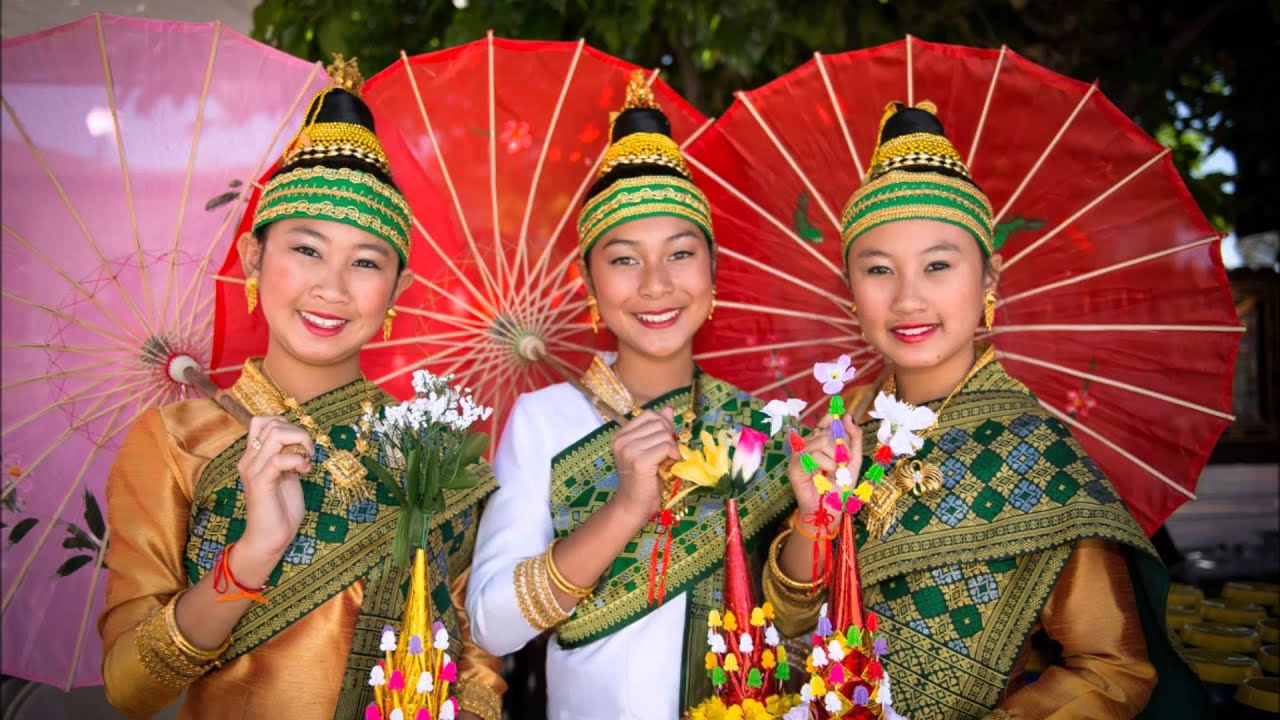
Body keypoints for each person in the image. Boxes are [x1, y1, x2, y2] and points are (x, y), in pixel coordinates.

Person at [763, 101, 1209, 720]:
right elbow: (786, 622)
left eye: (939, 266)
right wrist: (814, 519)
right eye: (878, 270)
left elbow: (1113, 670)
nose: (909, 297)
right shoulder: (844, 430)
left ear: (990, 278)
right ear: (850, 292)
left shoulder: (1036, 451)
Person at [98, 58, 505, 720]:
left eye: (366, 262)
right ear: (255, 259)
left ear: (397, 290)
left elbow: (473, 656)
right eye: (308, 250)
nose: (332, 289)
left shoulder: (432, 446)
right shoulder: (176, 443)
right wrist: (252, 555)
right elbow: (131, 687)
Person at [465, 71, 796, 718]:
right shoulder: (545, 420)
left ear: (712, 273)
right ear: (589, 283)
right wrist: (622, 510)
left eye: (679, 254)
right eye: (622, 259)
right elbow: (491, 625)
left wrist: (816, 517)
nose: (655, 284)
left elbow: (803, 629)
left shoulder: (761, 429)